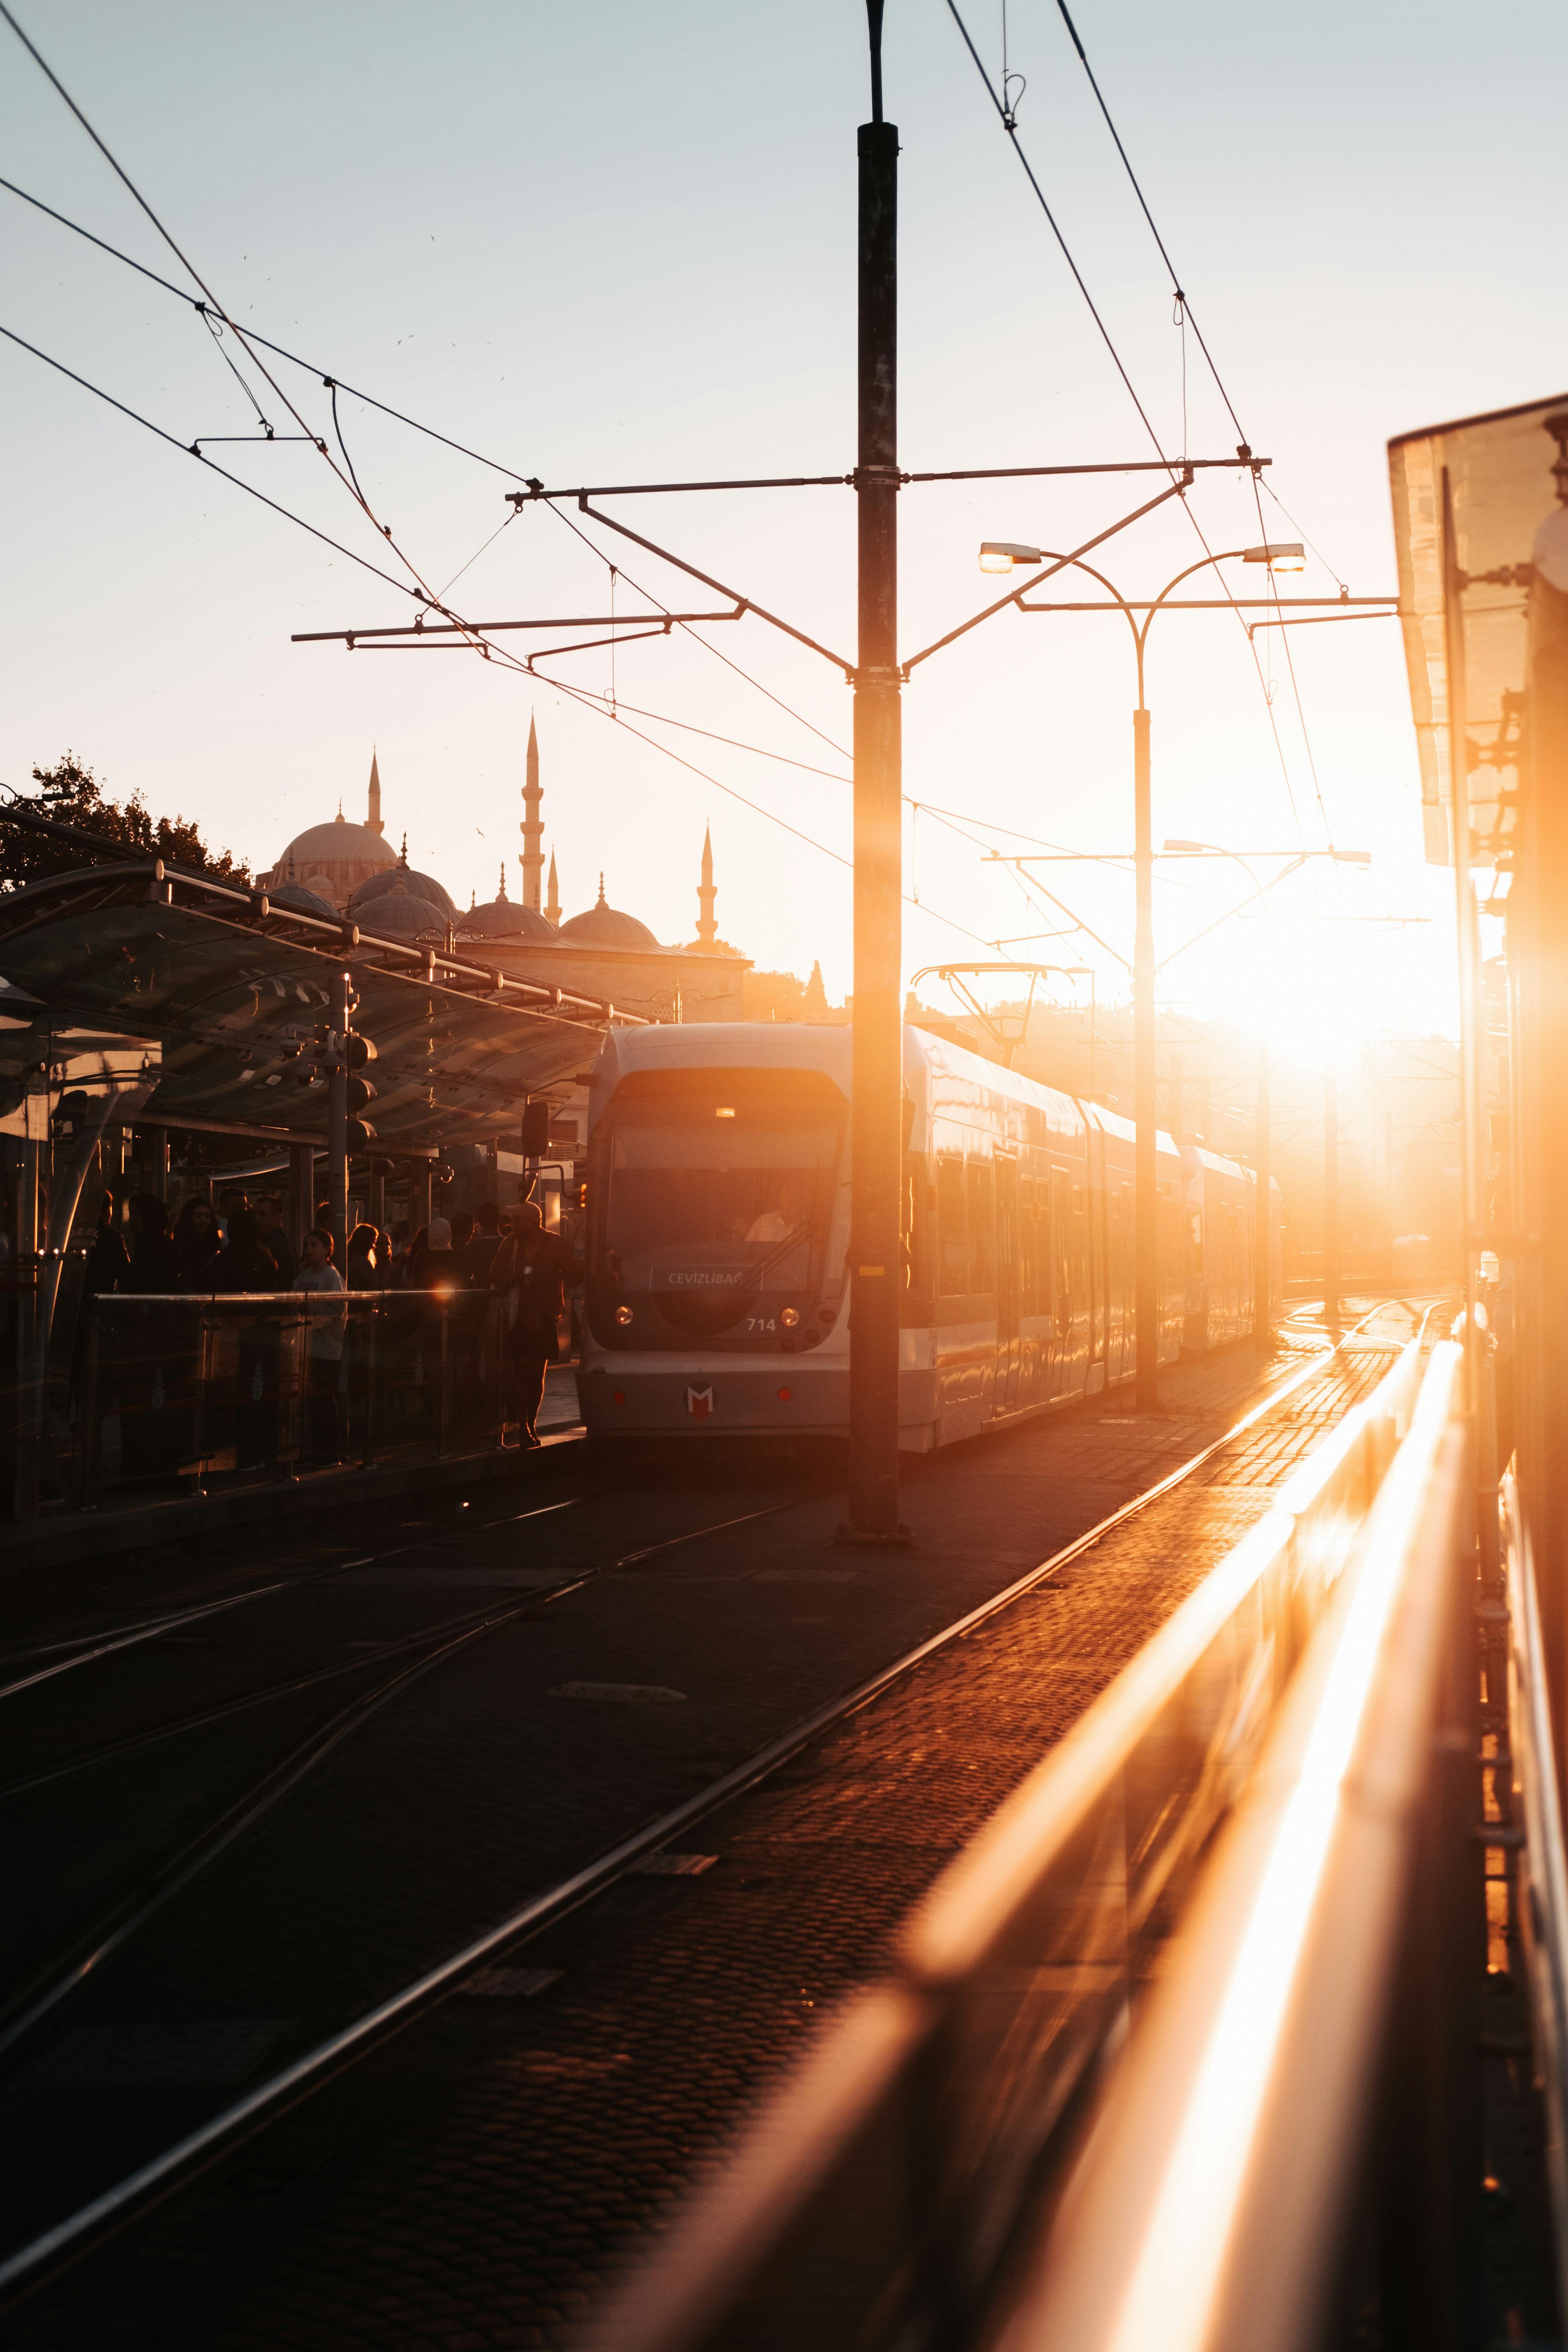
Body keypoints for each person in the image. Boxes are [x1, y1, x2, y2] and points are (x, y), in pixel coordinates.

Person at [491, 1201, 569, 1446]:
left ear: (532, 1222)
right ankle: (524, 1427)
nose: (512, 1225)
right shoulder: (510, 1243)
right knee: (522, 1374)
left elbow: (572, 1273)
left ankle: (531, 1424)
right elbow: (495, 1273)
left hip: (545, 1317)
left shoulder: (556, 1243)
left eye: (517, 1220)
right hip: (519, 1318)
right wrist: (515, 1279)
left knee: (537, 1374)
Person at [213, 1210, 284, 1471]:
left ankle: (243, 1454)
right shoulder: (265, 1256)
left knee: (240, 1393)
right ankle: (266, 1452)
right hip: (265, 1334)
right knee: (263, 1392)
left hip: (233, 1335)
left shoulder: (225, 1259)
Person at [291, 1228, 346, 1463]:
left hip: (326, 1348)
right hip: (305, 1346)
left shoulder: (331, 1276)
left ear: (327, 1250)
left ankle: (329, 1451)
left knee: (323, 1398)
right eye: (307, 1245)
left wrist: (309, 1313)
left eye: (314, 1245)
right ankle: (313, 1448)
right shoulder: (303, 1277)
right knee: (312, 1400)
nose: (309, 1249)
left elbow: (336, 1309)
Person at [171, 1197, 221, 1291]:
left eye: (208, 1217)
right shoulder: (177, 1249)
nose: (204, 1220)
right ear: (188, 1219)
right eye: (198, 1216)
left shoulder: (214, 1247)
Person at [254, 1193, 297, 1287]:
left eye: (262, 1214)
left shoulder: (276, 1244)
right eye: (255, 1214)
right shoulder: (281, 1241)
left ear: (278, 1218)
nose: (257, 1218)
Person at [461, 1200, 505, 1286]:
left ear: (480, 1222)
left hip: (481, 1297)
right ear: (499, 1219)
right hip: (505, 1297)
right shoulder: (509, 1245)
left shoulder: (472, 1248)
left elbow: (466, 1279)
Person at [345, 1221, 382, 1290]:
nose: (375, 1247)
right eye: (374, 1242)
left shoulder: (351, 1259)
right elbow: (376, 1287)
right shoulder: (362, 1263)